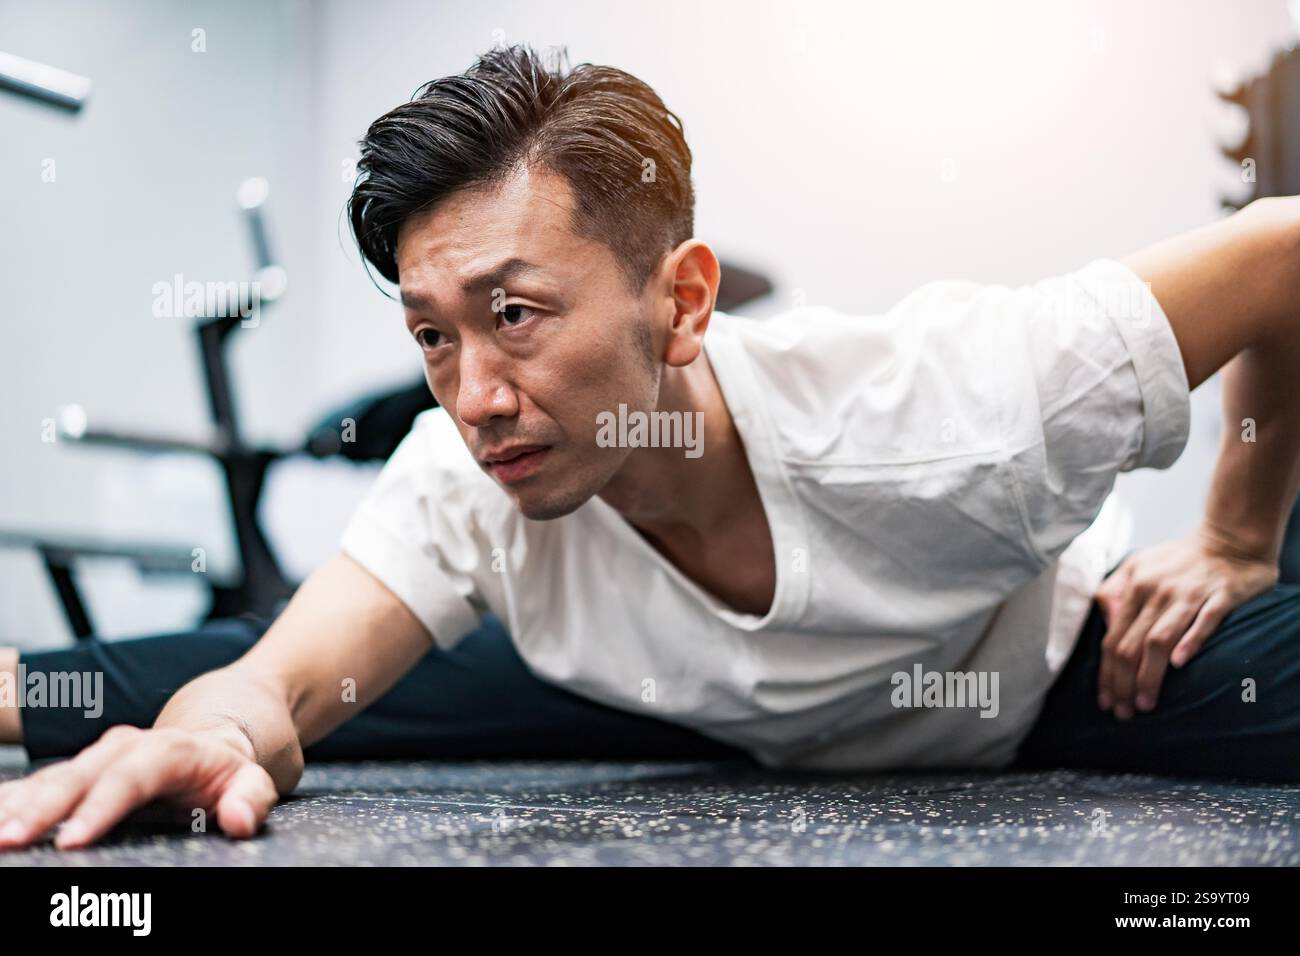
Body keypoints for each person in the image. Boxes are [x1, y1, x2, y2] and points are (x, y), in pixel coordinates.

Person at [2, 43, 1299, 852]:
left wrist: (1238, 535)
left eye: (515, 316)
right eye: (433, 338)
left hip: (1056, 675)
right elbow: (277, 691)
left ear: (681, 300)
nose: (475, 394)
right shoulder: (480, 485)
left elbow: (1282, 251)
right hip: (678, 695)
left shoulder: (964, 411)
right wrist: (225, 730)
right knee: (283, 664)